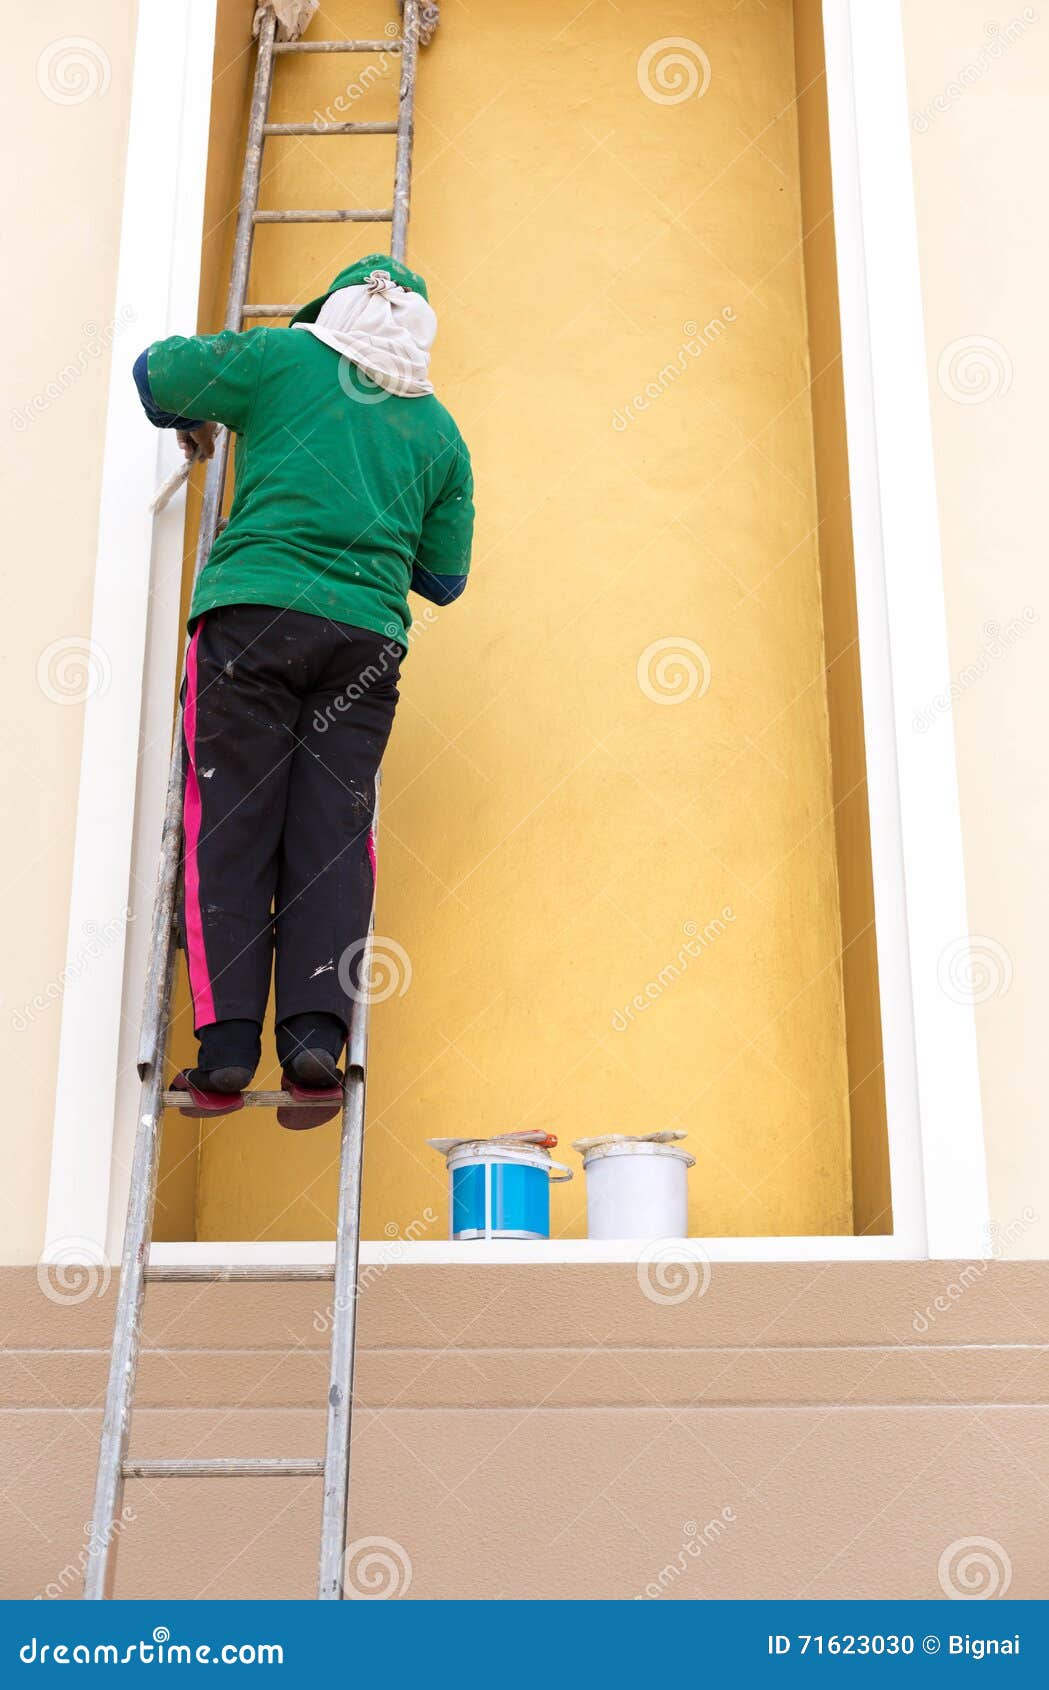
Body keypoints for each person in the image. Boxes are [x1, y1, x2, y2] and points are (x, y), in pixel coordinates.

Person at [133, 254, 473, 1126]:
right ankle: (316, 1041)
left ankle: (225, 1049)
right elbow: (443, 579)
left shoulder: (282, 357)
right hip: (362, 645)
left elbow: (156, 373)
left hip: (252, 620)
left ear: (329, 313)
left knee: (231, 823)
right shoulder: (439, 432)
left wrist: (205, 416)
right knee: (332, 837)